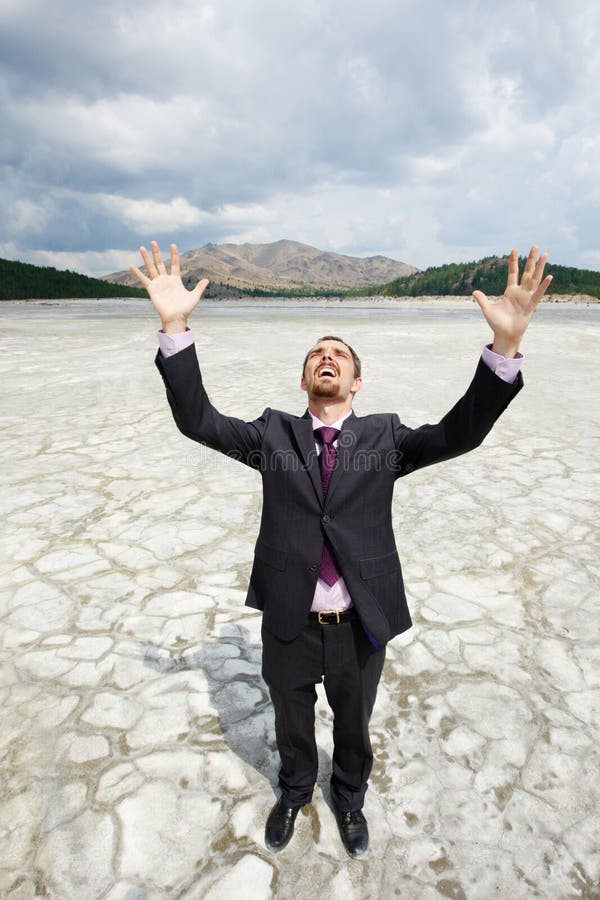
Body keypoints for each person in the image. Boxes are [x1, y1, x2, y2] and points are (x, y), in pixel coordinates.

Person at [131, 241, 551, 858]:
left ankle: (349, 798)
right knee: (291, 720)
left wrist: (505, 350)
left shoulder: (385, 435)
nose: (327, 360)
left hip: (359, 621)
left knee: (354, 724)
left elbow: (460, 432)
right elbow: (199, 420)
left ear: (357, 380)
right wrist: (174, 327)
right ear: (305, 378)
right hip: (290, 616)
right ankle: (296, 789)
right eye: (316, 356)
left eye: (339, 356)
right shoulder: (272, 434)